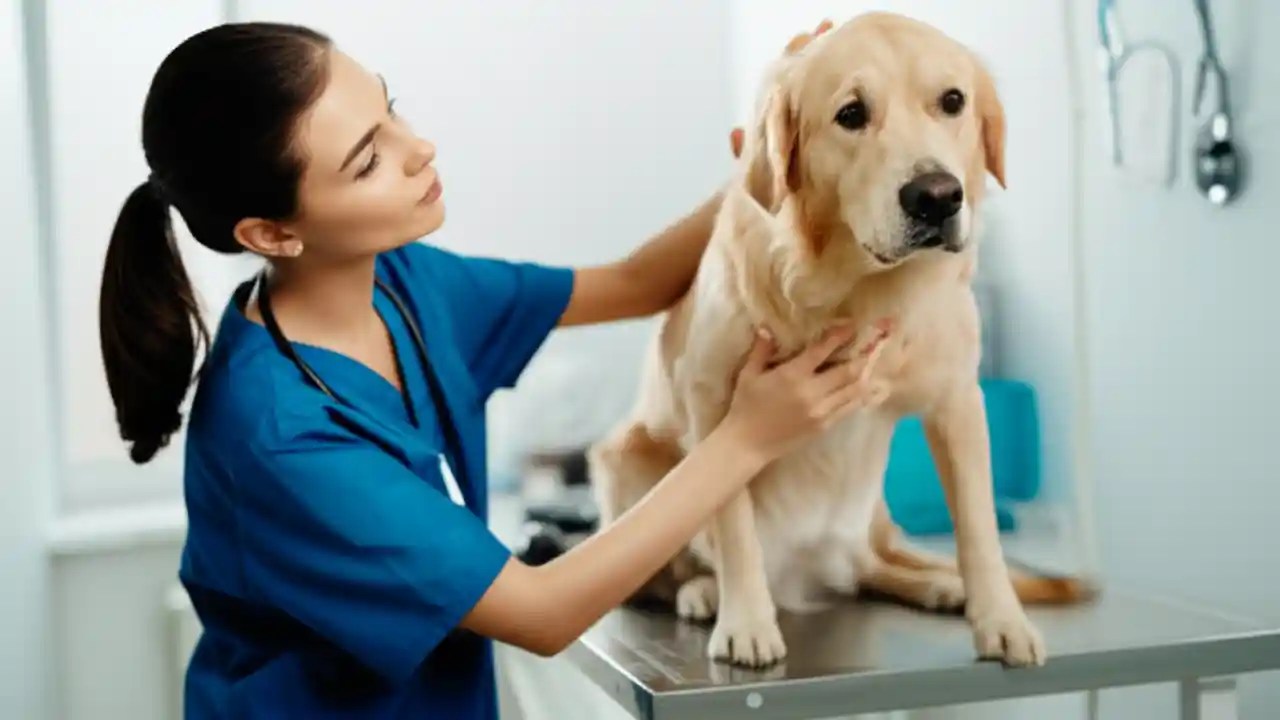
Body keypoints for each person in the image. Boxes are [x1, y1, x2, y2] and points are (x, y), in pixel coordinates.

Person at [97, 19, 878, 720]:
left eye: (390, 107)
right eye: (369, 160)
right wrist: (748, 437)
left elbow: (634, 285)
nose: (418, 149)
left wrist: (772, 166)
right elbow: (541, 612)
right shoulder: (282, 438)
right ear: (271, 232)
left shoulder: (405, 285)